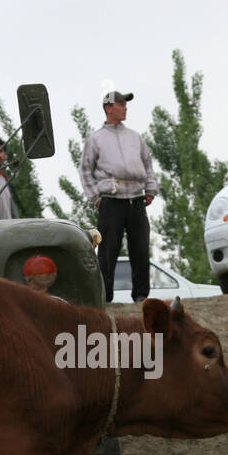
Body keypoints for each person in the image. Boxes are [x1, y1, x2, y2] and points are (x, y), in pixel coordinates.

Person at [80, 91, 158, 303]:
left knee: (140, 248)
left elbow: (148, 164)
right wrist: (95, 197)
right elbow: (86, 170)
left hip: (136, 198)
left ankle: (141, 295)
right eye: (121, 104)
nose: (125, 107)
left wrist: (150, 189)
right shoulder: (96, 139)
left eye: (125, 104)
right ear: (108, 108)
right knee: (107, 251)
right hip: (111, 199)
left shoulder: (135, 137)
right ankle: (106, 296)